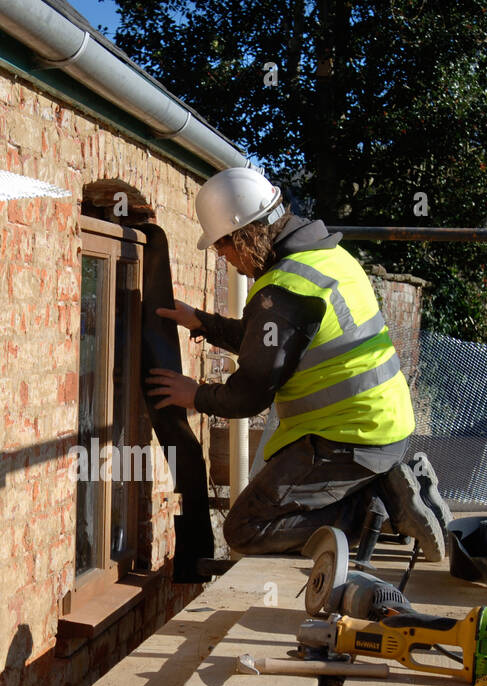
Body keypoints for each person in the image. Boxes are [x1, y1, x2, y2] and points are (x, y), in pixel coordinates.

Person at [146, 166, 451, 559]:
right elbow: (278, 342)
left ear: (244, 235)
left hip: (347, 439)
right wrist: (204, 323)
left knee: (245, 530)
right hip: (384, 428)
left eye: (222, 246)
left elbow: (249, 395)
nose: (223, 258)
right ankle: (396, 488)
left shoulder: (284, 289)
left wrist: (196, 395)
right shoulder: (328, 257)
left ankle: (383, 507)